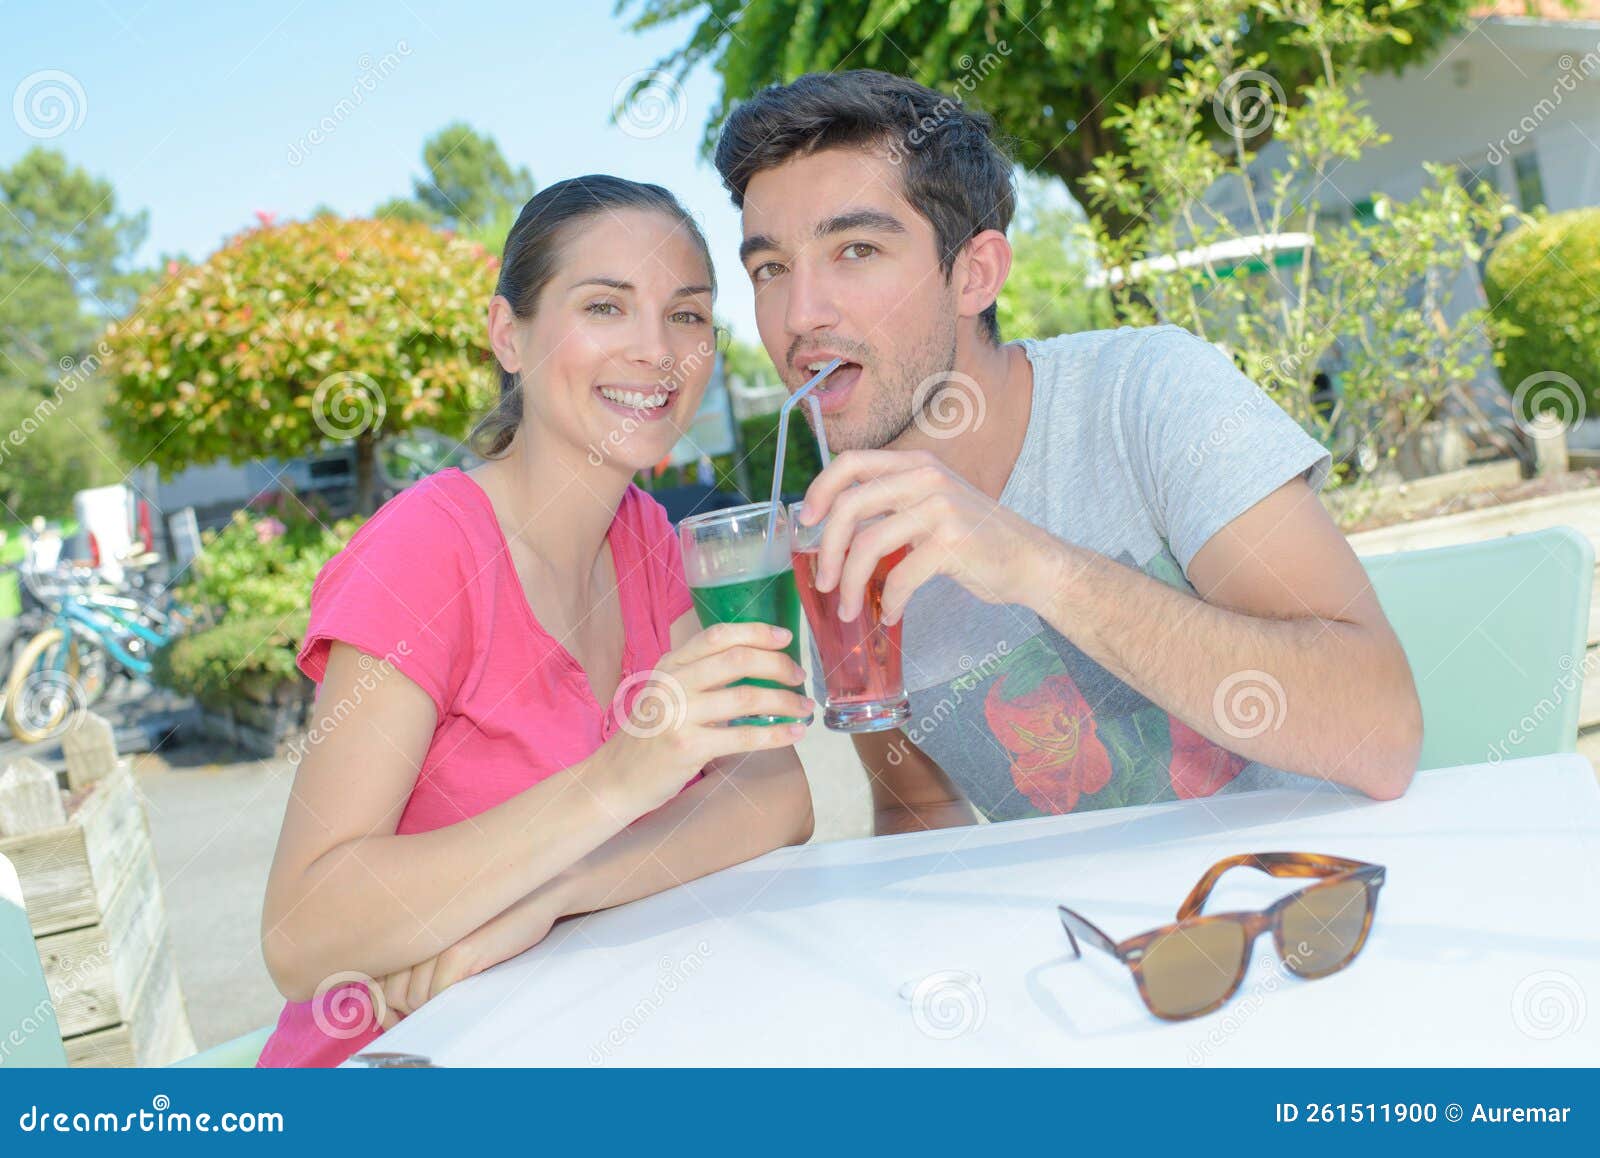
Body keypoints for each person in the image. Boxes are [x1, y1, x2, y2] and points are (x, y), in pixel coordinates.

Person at [714, 70, 1422, 831]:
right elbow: (918, 813)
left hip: (1321, 907)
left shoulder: (1148, 393)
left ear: (975, 274)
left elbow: (1382, 735)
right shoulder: (838, 537)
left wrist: (1039, 567)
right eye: (771, 269)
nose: (800, 315)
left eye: (856, 249)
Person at [257, 176, 815, 1066]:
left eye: (688, 315)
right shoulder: (423, 555)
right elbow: (302, 934)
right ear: (508, 335)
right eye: (605, 305)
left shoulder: (649, 539)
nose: (656, 349)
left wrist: (552, 894)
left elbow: (775, 793)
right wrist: (615, 784)